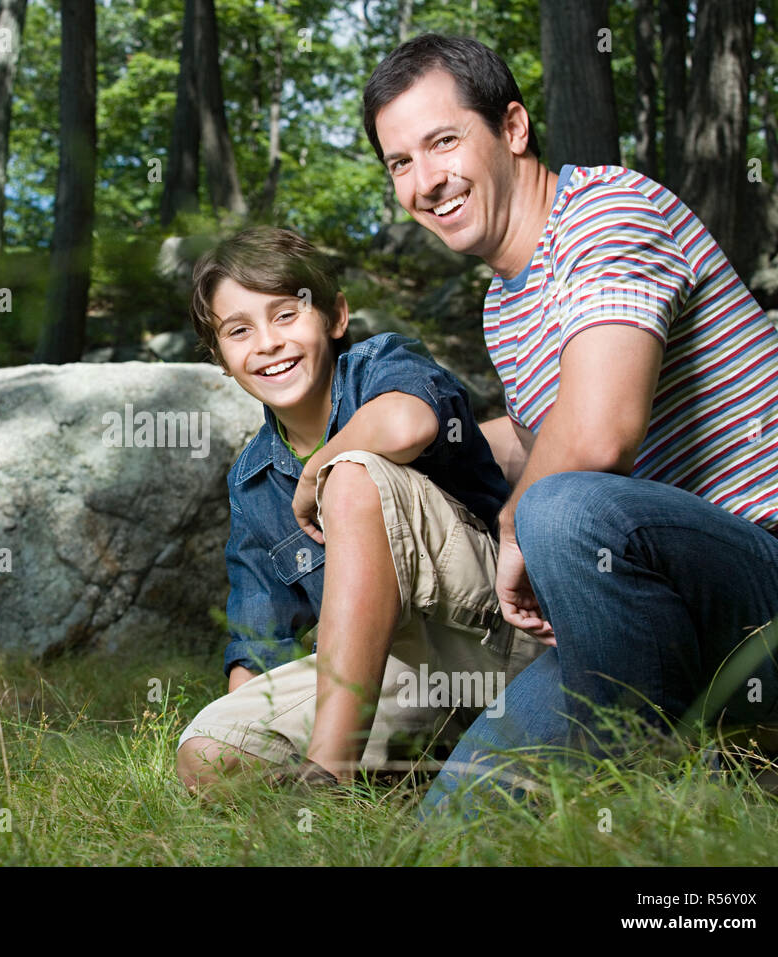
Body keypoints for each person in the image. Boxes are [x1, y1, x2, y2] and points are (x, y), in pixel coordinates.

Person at [360, 32, 778, 812]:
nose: (425, 181)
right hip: (653, 615)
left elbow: (597, 435)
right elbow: (541, 438)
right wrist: (382, 453)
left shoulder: (608, 211)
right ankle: (683, 759)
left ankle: (649, 803)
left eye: (442, 141)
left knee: (561, 509)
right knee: (457, 820)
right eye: (400, 162)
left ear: (513, 128)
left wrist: (512, 524)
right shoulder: (505, 303)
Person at [173, 225, 545, 793]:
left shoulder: (380, 364)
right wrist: (251, 724)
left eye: (286, 315)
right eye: (239, 331)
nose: (267, 343)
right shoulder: (252, 482)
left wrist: (319, 469)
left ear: (336, 317)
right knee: (209, 754)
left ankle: (330, 771)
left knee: (351, 478)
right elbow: (258, 644)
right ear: (221, 357)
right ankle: (414, 777)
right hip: (400, 677)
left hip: (498, 634)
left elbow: (407, 423)